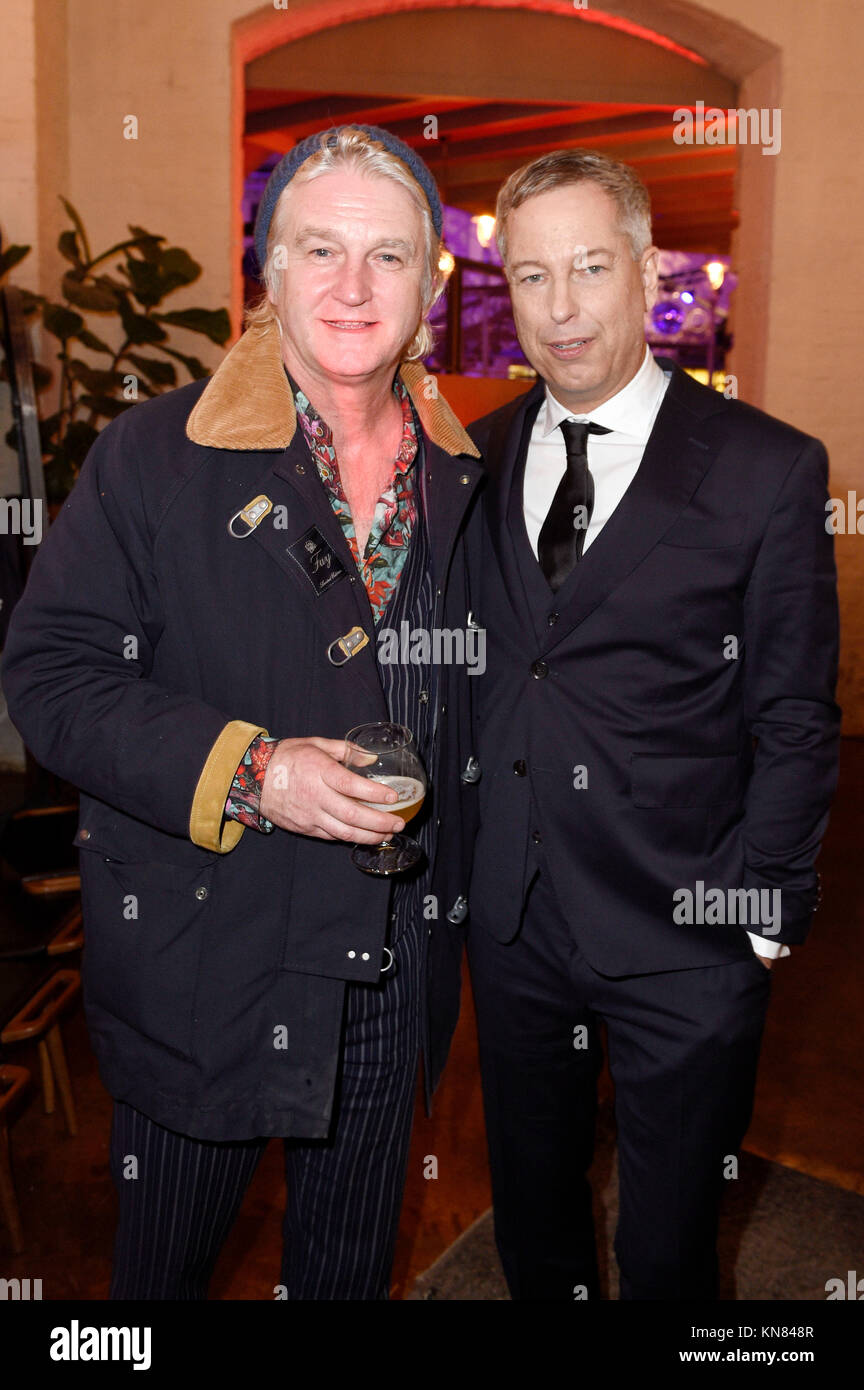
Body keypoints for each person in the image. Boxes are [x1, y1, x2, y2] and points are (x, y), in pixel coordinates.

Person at [1, 125, 482, 1300]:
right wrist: (256, 769)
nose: (354, 287)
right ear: (266, 273)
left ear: (434, 283)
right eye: (320, 249)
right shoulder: (152, 460)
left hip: (397, 971)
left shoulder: (477, 477)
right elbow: (54, 677)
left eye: (388, 254)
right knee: (157, 1286)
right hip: (206, 961)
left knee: (348, 1277)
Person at [465, 148, 840, 1300]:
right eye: (531, 277)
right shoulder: (469, 460)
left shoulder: (765, 469)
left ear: (646, 270)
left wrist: (762, 915)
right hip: (516, 926)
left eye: (588, 267)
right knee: (534, 1225)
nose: (561, 307)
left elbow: (793, 711)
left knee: (671, 1252)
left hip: (689, 932)